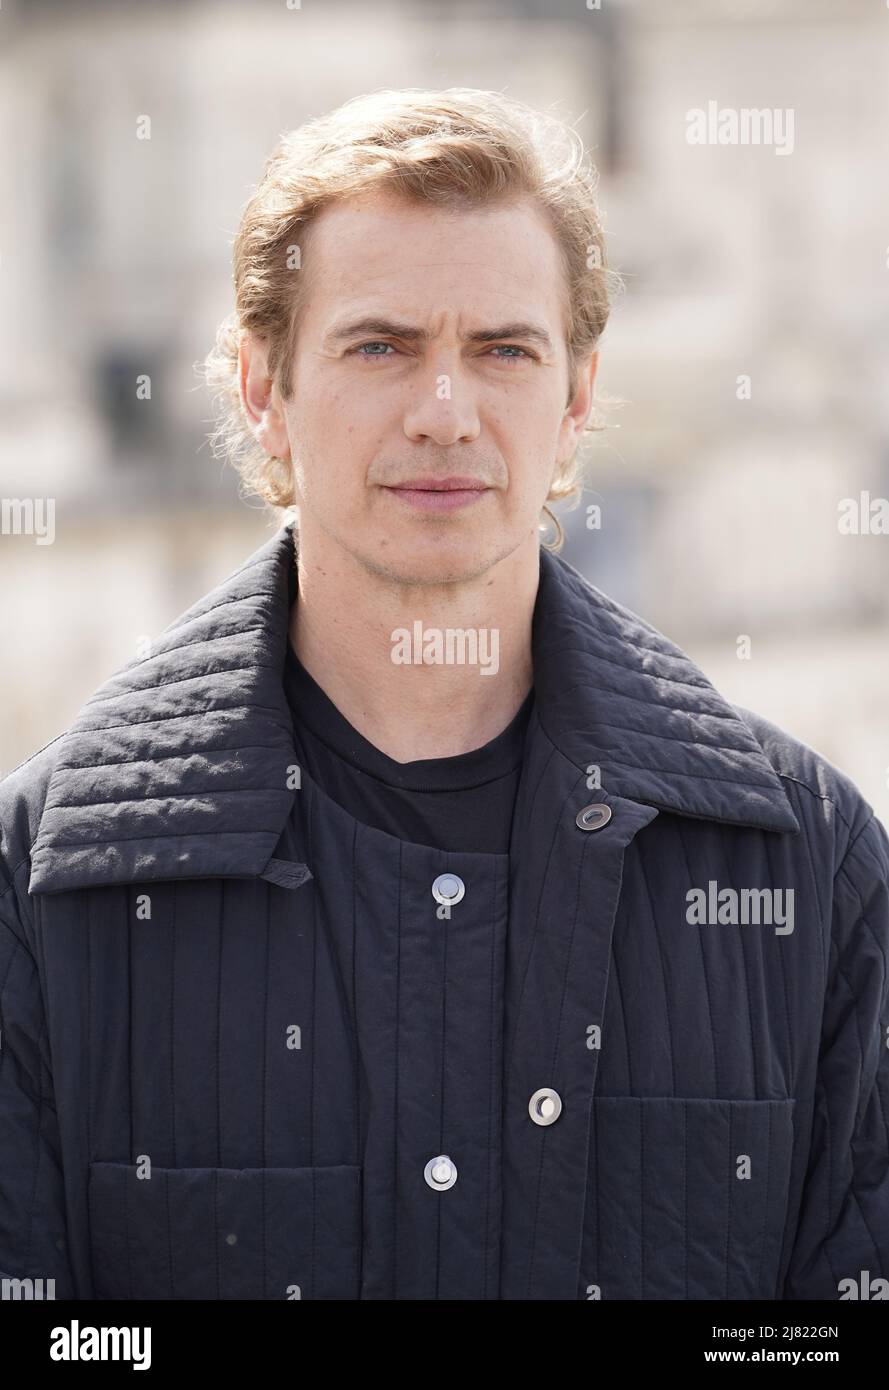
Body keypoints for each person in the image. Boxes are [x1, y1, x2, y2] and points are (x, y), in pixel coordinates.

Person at [1, 88, 886, 1302]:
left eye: (503, 351)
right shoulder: (41, 883)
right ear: (264, 388)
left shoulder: (806, 866)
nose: (444, 412)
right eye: (381, 345)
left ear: (575, 398)